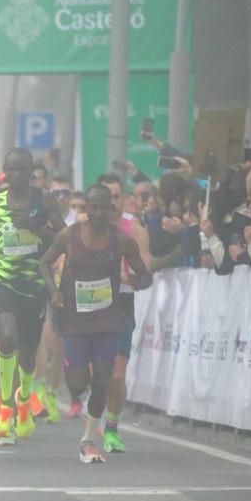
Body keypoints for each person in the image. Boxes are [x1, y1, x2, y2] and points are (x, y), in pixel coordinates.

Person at [40, 185, 151, 463]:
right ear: (86, 209)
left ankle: (88, 440)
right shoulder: (69, 236)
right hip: (76, 320)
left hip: (107, 320)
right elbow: (44, 262)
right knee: (77, 384)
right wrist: (53, 291)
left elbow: (145, 275)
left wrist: (140, 281)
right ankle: (88, 394)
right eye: (94, 207)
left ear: (111, 210)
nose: (99, 212)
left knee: (103, 378)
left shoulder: (122, 241)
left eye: (105, 207)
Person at [0, 148, 65, 445]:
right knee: (7, 337)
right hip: (2, 280)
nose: (16, 176)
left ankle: (24, 401)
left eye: (22, 171)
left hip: (34, 282)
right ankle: (5, 408)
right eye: (11, 170)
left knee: (28, 352)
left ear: (32, 172)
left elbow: (63, 239)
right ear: (4, 171)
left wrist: (36, 227)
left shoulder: (45, 200)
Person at [96, 172, 153, 448]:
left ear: (124, 198)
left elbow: (145, 269)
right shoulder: (81, 230)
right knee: (97, 373)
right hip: (89, 307)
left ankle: (112, 427)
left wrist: (121, 275)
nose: (113, 203)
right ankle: (94, 407)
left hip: (120, 305)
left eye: (117, 196)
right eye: (107, 197)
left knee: (117, 373)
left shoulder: (136, 230)